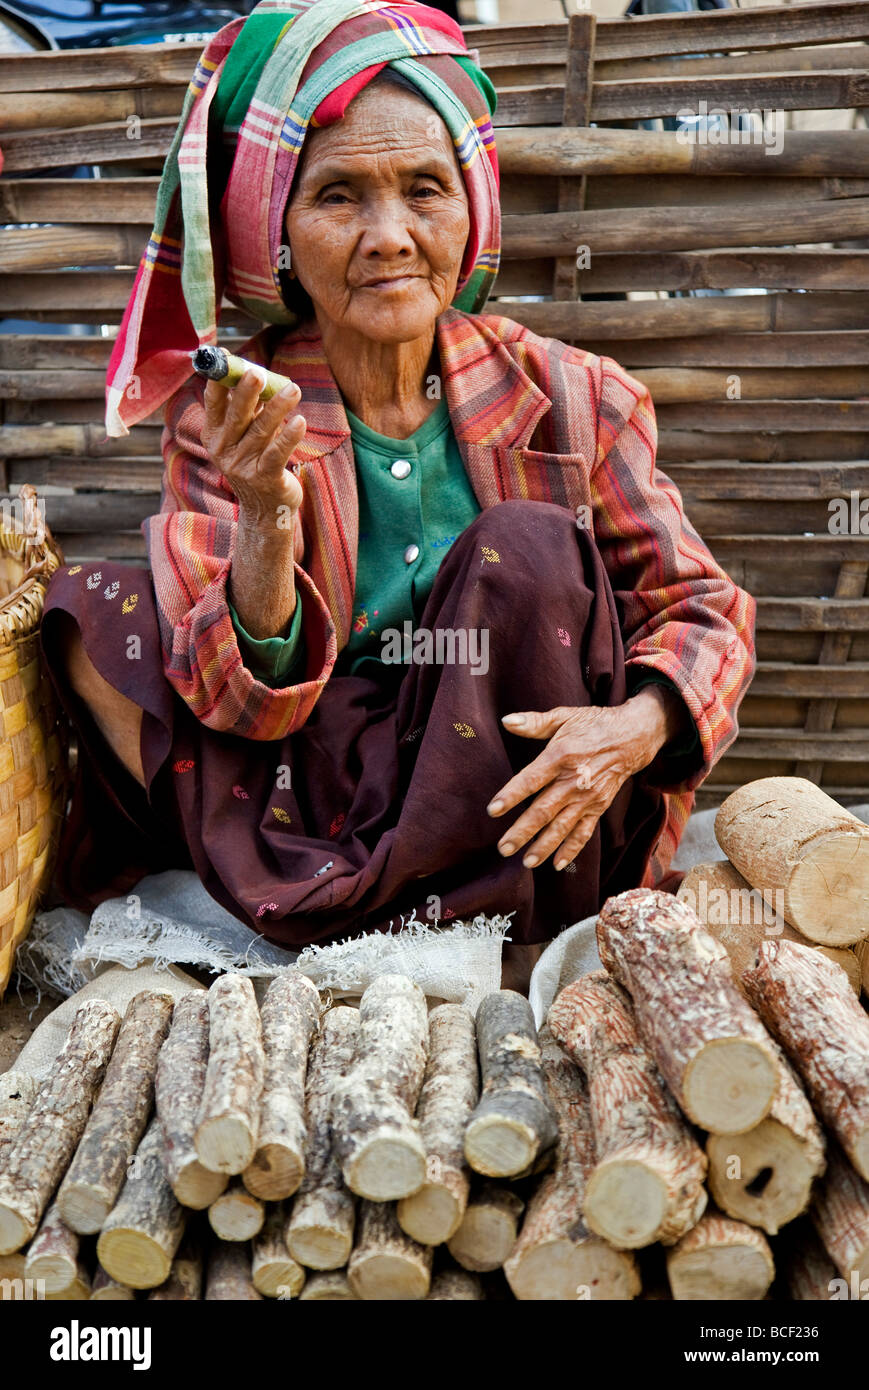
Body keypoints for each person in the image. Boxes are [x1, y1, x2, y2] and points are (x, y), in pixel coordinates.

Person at [40, 0, 755, 990]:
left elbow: (704, 613)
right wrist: (268, 517)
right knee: (96, 613)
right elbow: (233, 702)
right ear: (278, 233)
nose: (388, 235)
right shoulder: (229, 414)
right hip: (323, 785)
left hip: (525, 793)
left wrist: (625, 732)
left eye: (424, 189)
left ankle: (435, 909)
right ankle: (357, 896)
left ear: (470, 211)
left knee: (530, 547)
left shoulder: (576, 395)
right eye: (338, 197)